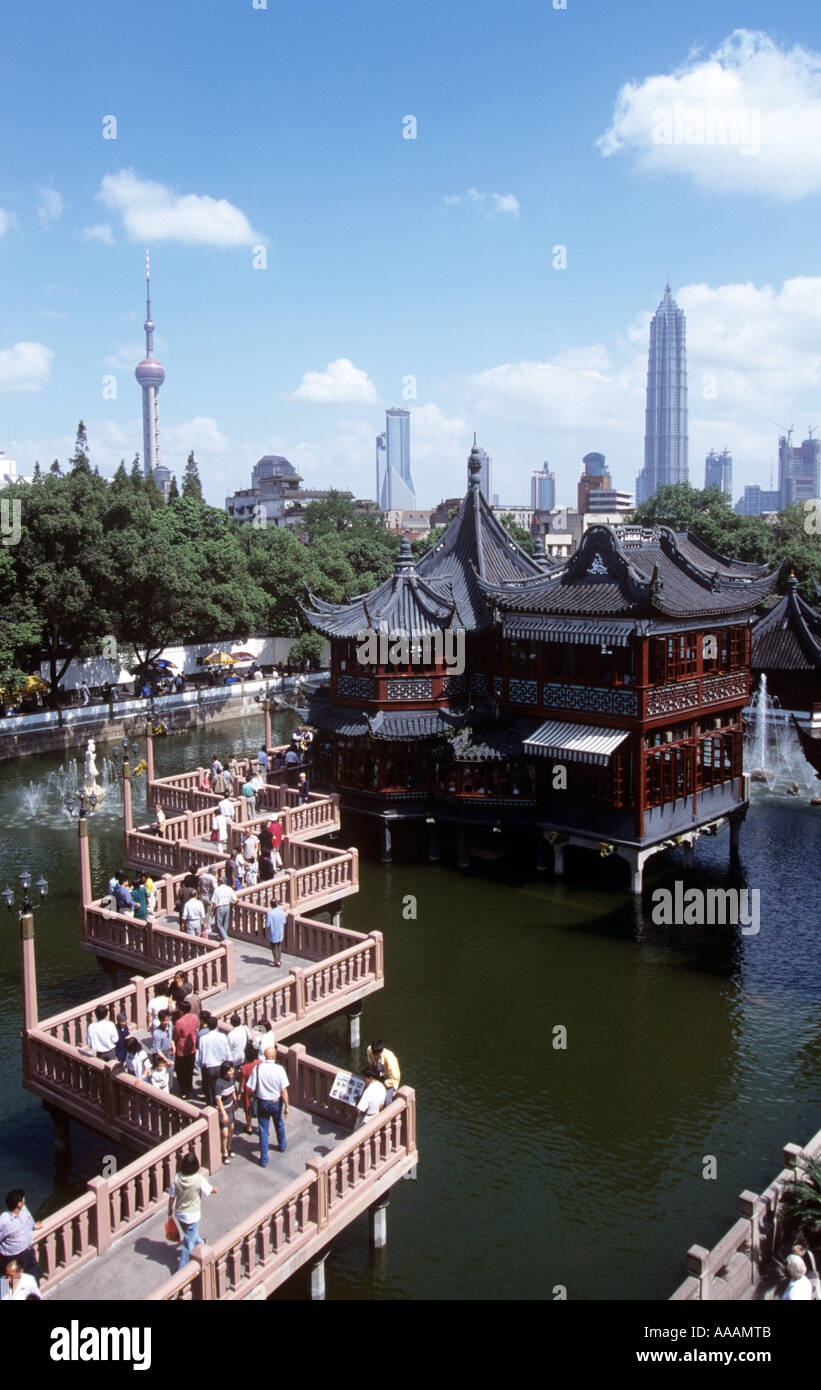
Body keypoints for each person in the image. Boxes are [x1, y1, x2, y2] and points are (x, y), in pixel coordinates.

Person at [167, 1152, 218, 1270]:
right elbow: (209, 1190)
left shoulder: (176, 1178)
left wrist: (169, 1209)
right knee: (187, 1244)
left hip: (179, 1213)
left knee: (190, 1234)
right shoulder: (198, 1179)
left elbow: (171, 1196)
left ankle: (200, 1243)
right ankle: (182, 1271)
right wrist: (215, 1189)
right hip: (192, 1216)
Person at [247, 1047, 290, 1165]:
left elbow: (251, 1088)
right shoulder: (280, 1069)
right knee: (279, 1123)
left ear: (264, 1056)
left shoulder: (258, 1068)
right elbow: (284, 1091)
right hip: (276, 1102)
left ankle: (264, 1159)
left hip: (262, 1102)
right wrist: (287, 1106)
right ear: (274, 1057)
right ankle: (282, 1145)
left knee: (263, 1130)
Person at [0, 1191, 41, 1281]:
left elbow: (29, 1219)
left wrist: (34, 1226)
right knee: (15, 1285)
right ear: (19, 1204)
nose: (24, 1199)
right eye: (23, 1198)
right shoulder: (3, 1220)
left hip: (28, 1253)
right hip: (13, 1258)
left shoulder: (24, 1209)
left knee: (33, 1279)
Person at [197, 1016, 231, 1107]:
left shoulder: (203, 1039)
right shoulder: (223, 1036)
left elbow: (200, 1055)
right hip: (221, 1066)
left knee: (210, 1091)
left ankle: (212, 1110)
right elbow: (227, 1053)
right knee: (221, 1090)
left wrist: (201, 1065)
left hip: (209, 1068)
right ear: (216, 1025)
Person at [172, 1000, 199, 1099]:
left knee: (180, 1071)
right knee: (189, 1069)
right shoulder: (195, 1017)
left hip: (181, 1049)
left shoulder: (179, 1022)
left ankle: (184, 1090)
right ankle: (189, 1087)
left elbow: (175, 1036)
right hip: (192, 1046)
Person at [215, 1061, 237, 1163]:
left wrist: (235, 1100)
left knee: (231, 1128)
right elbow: (218, 1100)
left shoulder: (231, 1079)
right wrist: (223, 1113)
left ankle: (229, 1147)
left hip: (230, 1107)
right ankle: (224, 1153)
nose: (233, 1071)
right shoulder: (218, 1084)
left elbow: (233, 1091)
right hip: (223, 1110)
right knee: (224, 1132)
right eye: (230, 1070)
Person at [367, 1040, 401, 1106]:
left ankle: (390, 1112)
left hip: (390, 1079)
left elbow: (394, 1078)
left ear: (381, 1052)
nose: (375, 1056)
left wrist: (383, 1085)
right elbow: (371, 1063)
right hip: (380, 1073)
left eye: (377, 1055)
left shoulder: (390, 1059)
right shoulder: (369, 1050)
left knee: (387, 1099)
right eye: (373, 1054)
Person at [212, 876, 236, 941]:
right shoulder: (229, 889)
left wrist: (212, 911)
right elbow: (235, 899)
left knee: (218, 924)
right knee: (225, 923)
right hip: (227, 907)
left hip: (220, 908)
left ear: (219, 882)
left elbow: (214, 902)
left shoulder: (217, 890)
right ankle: (222, 936)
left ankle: (225, 938)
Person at [197, 867, 218, 933]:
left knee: (202, 911)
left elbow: (198, 886)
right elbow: (215, 889)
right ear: (213, 872)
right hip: (209, 896)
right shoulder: (213, 879)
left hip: (202, 895)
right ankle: (207, 927)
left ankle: (201, 924)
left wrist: (199, 894)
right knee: (208, 913)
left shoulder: (202, 876)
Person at [265, 903, 286, 967]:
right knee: (279, 946)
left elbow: (268, 924)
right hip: (280, 931)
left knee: (274, 947)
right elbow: (284, 922)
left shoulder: (270, 913)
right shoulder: (282, 911)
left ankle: (277, 961)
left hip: (273, 932)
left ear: (271, 905)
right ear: (277, 904)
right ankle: (279, 959)